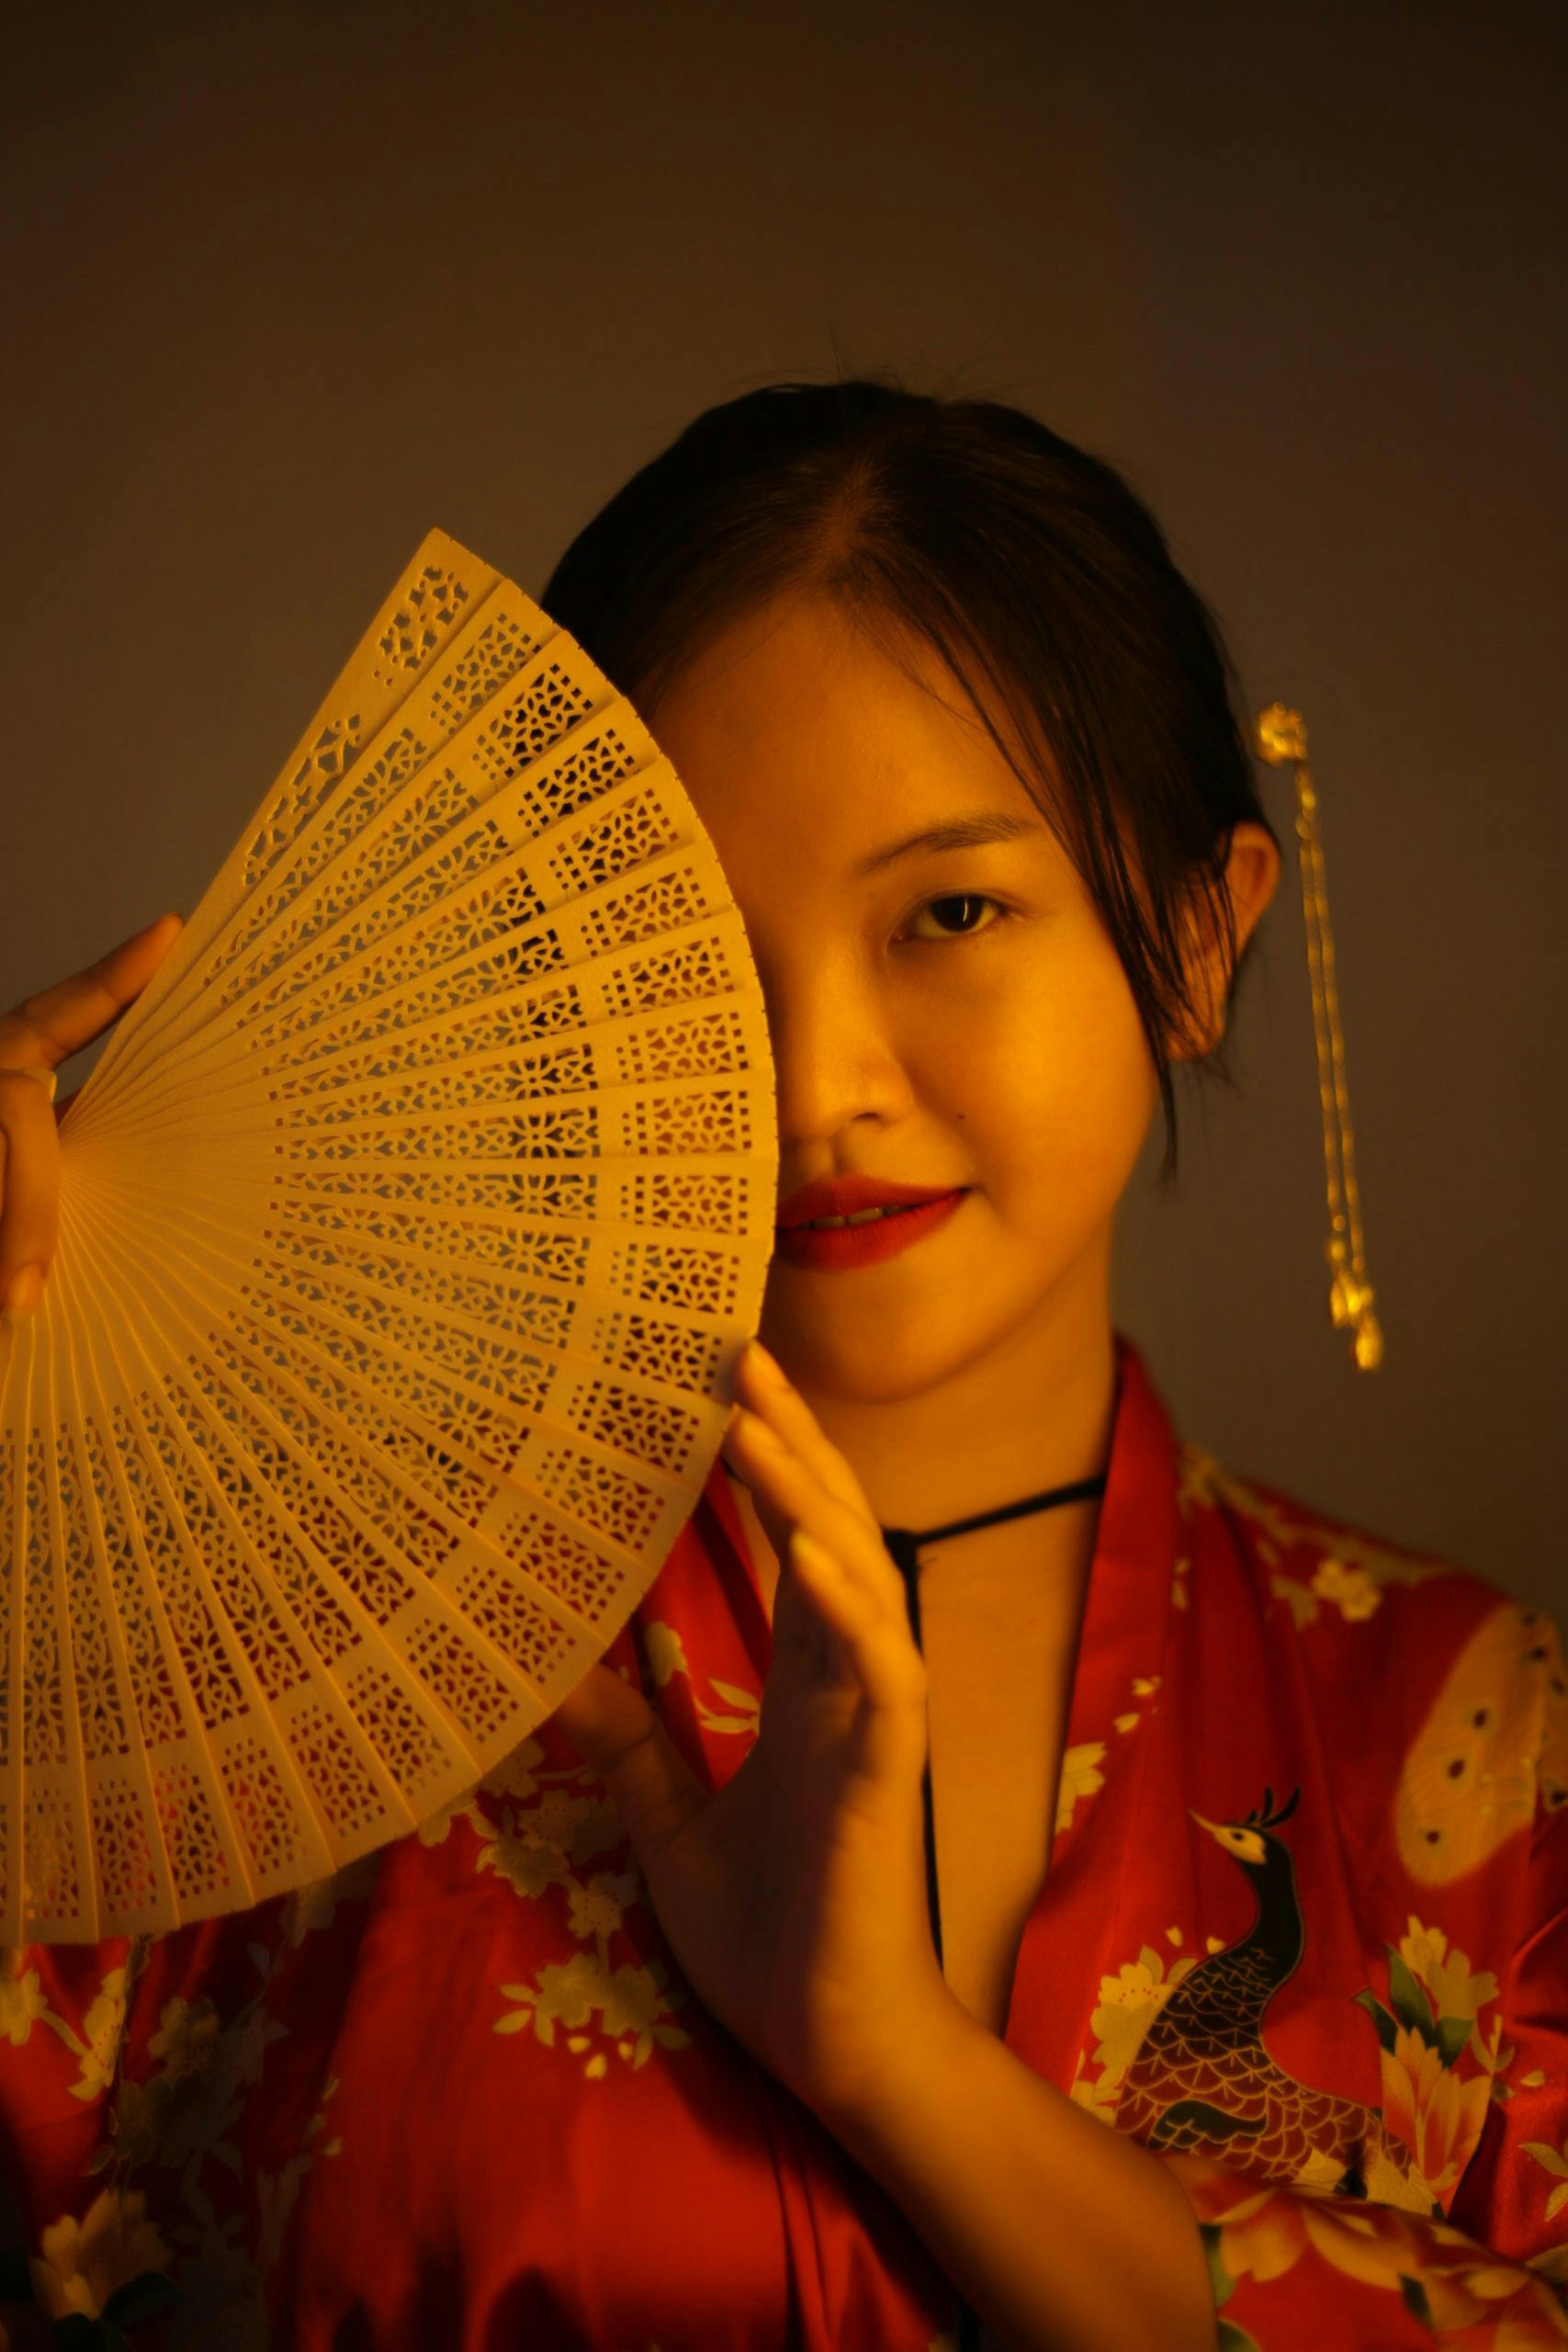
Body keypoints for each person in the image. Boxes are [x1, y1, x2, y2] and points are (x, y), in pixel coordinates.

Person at [0, 377, 1563, 2352]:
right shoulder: (258, 1656)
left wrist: (893, 2060)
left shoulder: (1459, 1726)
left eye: (949, 913)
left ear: (1193, 937)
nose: (815, 1084)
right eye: (693, 962)